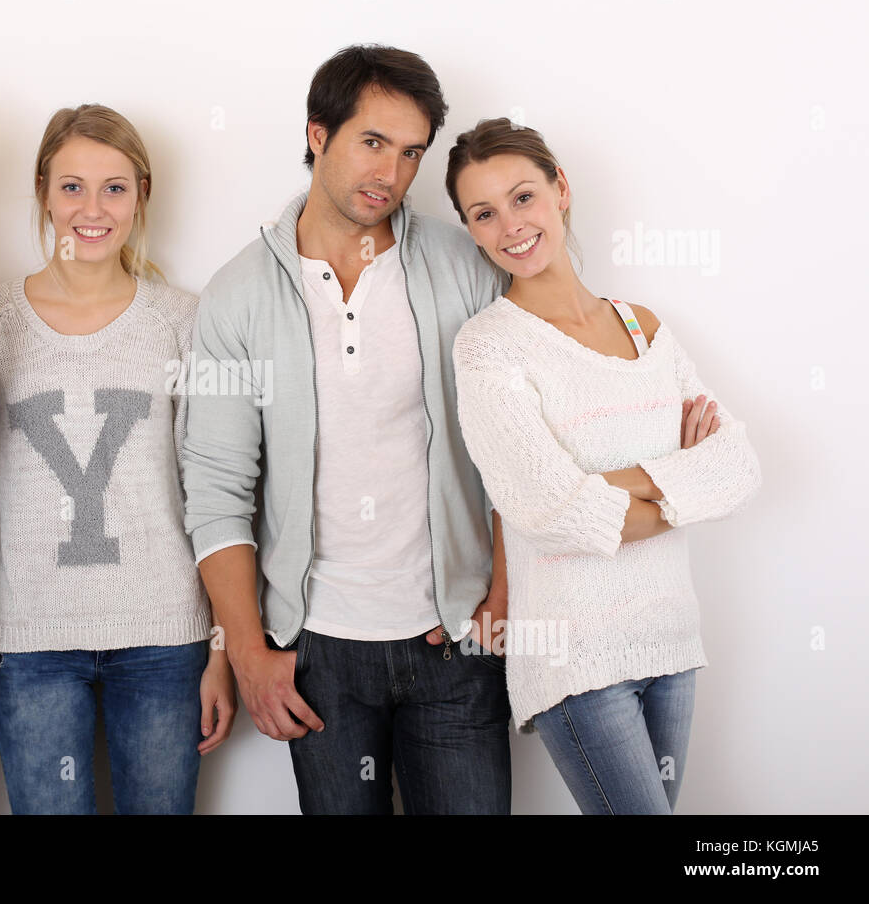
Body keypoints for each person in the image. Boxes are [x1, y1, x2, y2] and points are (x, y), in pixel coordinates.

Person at [181, 45, 513, 815]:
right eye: (372, 142)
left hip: (454, 639)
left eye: (411, 154)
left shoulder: (465, 265)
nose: (390, 173)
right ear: (318, 133)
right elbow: (216, 491)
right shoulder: (238, 296)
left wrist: (503, 590)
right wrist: (251, 654)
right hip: (317, 651)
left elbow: (516, 438)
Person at [446, 117, 763, 814]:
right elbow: (547, 514)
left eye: (523, 196)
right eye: (484, 213)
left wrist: (605, 488)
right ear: (470, 230)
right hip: (575, 658)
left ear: (560, 189)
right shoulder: (488, 347)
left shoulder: (641, 326)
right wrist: (678, 472)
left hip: (674, 640)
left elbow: (738, 467)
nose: (511, 225)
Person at [0, 104, 235, 814]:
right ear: (43, 191)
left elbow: (216, 491)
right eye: (73, 186)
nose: (93, 208)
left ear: (142, 193)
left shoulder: (182, 319)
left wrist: (223, 647)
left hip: (165, 635)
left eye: (114, 187)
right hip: (29, 640)